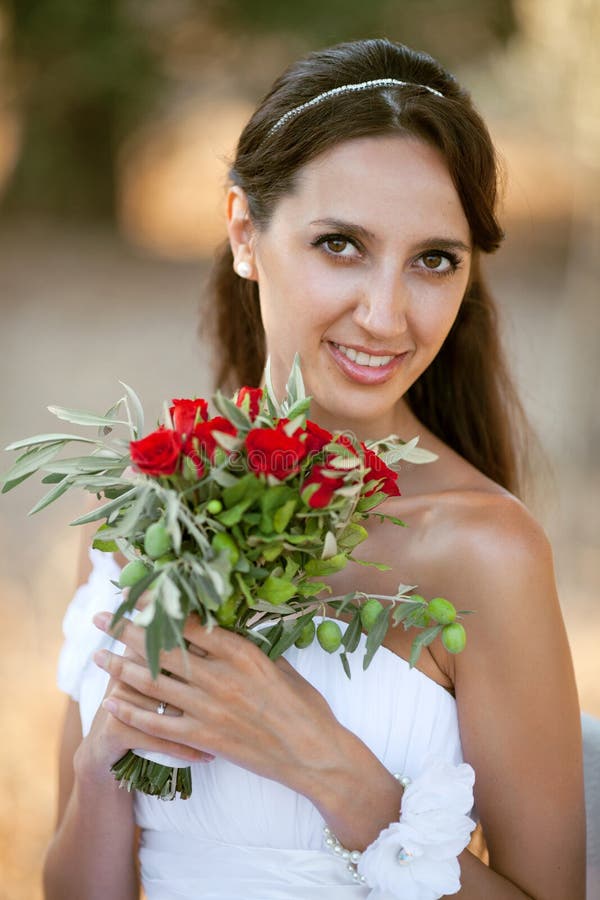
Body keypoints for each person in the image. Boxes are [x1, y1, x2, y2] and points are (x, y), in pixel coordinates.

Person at [42, 38, 586, 900]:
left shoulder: (486, 552)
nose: (385, 314)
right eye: (340, 245)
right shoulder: (142, 509)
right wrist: (111, 753)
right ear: (244, 234)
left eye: (433, 260)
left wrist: (331, 771)